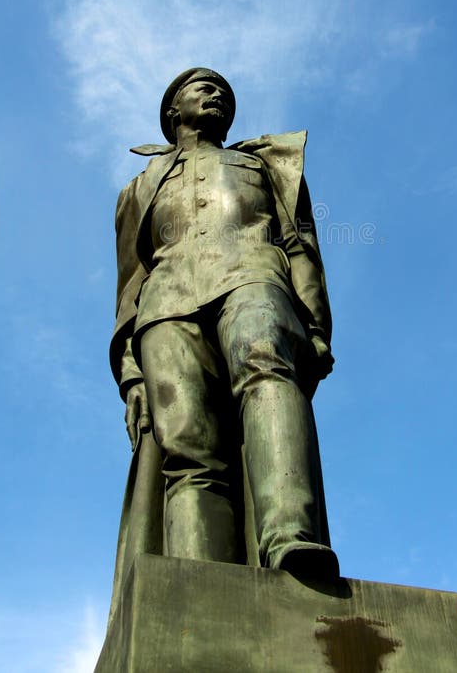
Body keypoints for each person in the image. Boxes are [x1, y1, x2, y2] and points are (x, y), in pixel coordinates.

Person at [109, 67, 338, 591]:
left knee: (267, 369)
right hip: (165, 306)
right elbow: (128, 283)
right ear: (173, 111)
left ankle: (290, 539)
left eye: (224, 93)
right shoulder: (137, 190)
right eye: (203, 88)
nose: (217, 96)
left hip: (253, 277)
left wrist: (316, 322)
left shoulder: (264, 165)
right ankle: (201, 583)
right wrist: (130, 373)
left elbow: (299, 246)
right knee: (187, 446)